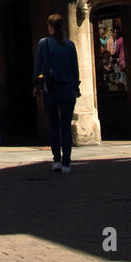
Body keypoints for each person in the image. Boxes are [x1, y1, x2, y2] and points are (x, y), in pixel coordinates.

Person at [34, 13, 80, 173]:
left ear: (50, 26)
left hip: (51, 89)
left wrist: (37, 86)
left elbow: (39, 67)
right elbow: (75, 69)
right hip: (67, 89)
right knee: (66, 127)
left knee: (54, 125)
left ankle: (57, 160)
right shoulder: (70, 45)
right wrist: (76, 88)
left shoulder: (44, 44)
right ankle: (67, 163)